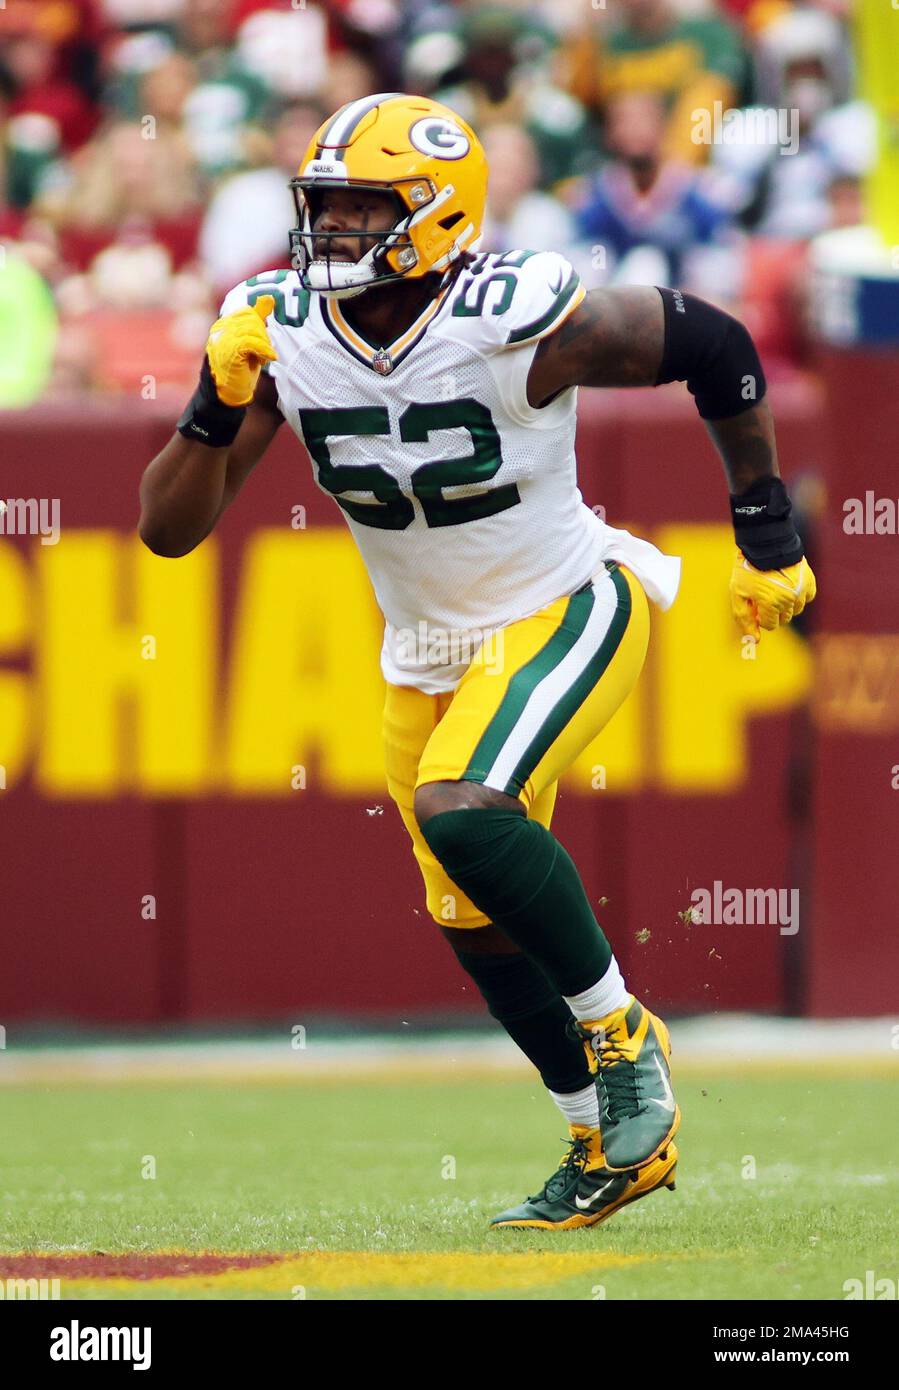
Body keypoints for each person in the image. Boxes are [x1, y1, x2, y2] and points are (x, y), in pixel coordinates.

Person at [138, 93, 816, 1230]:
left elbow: (714, 343)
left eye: (360, 211)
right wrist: (216, 401)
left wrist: (763, 524)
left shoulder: (514, 312)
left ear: (436, 214)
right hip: (428, 649)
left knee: (464, 804)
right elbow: (167, 529)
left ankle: (622, 1035)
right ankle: (600, 1140)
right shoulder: (281, 327)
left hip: (563, 603)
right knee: (466, 916)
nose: (332, 235)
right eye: (325, 210)